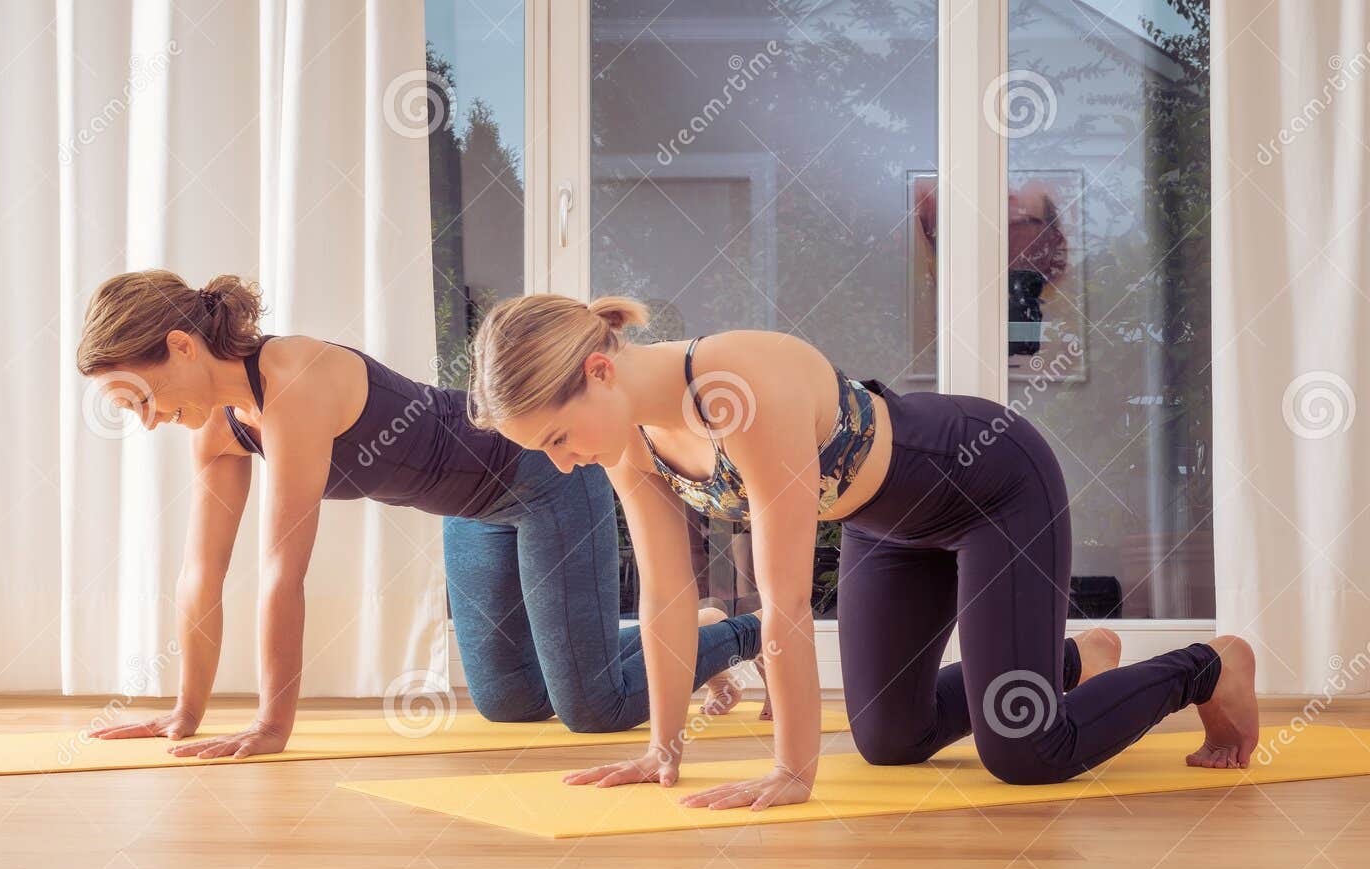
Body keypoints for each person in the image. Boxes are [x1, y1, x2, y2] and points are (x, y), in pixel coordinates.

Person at [465, 293, 1259, 810]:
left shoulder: (735, 387)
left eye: (558, 439)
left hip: (992, 488)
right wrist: (660, 747)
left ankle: (1207, 666)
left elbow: (783, 605)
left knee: (1022, 750)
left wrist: (792, 772)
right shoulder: (628, 437)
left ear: (599, 372)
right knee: (888, 737)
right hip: (888, 525)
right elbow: (667, 598)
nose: (564, 461)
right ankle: (1077, 659)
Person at [72, 271, 762, 756]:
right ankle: (684, 630)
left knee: (593, 707)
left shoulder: (293, 381)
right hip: (469, 513)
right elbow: (202, 576)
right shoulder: (219, 430)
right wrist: (185, 713)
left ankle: (743, 633)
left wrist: (271, 724)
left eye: (139, 398)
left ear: (182, 347)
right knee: (512, 700)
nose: (145, 420)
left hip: (540, 477)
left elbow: (282, 573)